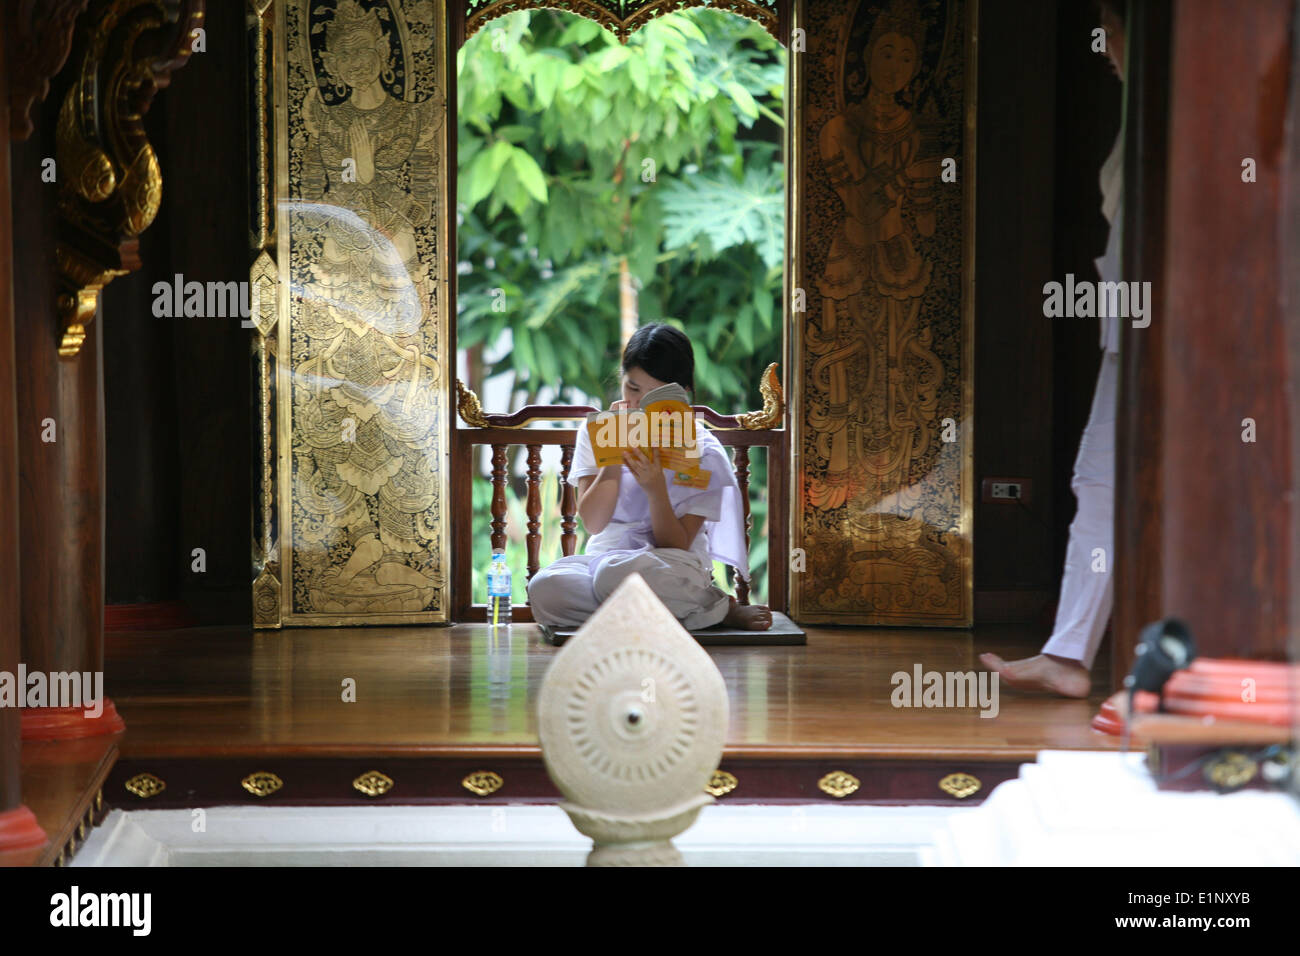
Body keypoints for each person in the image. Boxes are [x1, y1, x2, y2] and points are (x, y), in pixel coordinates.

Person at [980, 0, 1126, 697]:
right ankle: (1070, 654)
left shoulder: (1180, 110)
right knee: (1097, 479)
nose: (1103, 44)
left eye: (1111, 27)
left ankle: (1187, 666)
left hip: (1178, 332)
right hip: (1130, 324)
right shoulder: (1144, 112)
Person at [527, 324, 773, 631]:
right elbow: (593, 524)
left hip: (672, 568)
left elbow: (677, 544)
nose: (638, 404)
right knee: (546, 588)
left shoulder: (703, 450)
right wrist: (612, 457)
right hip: (603, 560)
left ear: (682, 395)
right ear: (621, 378)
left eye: (655, 396)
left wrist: (656, 489)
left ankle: (717, 608)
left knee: (618, 576)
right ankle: (679, 615)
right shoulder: (595, 433)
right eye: (632, 388)